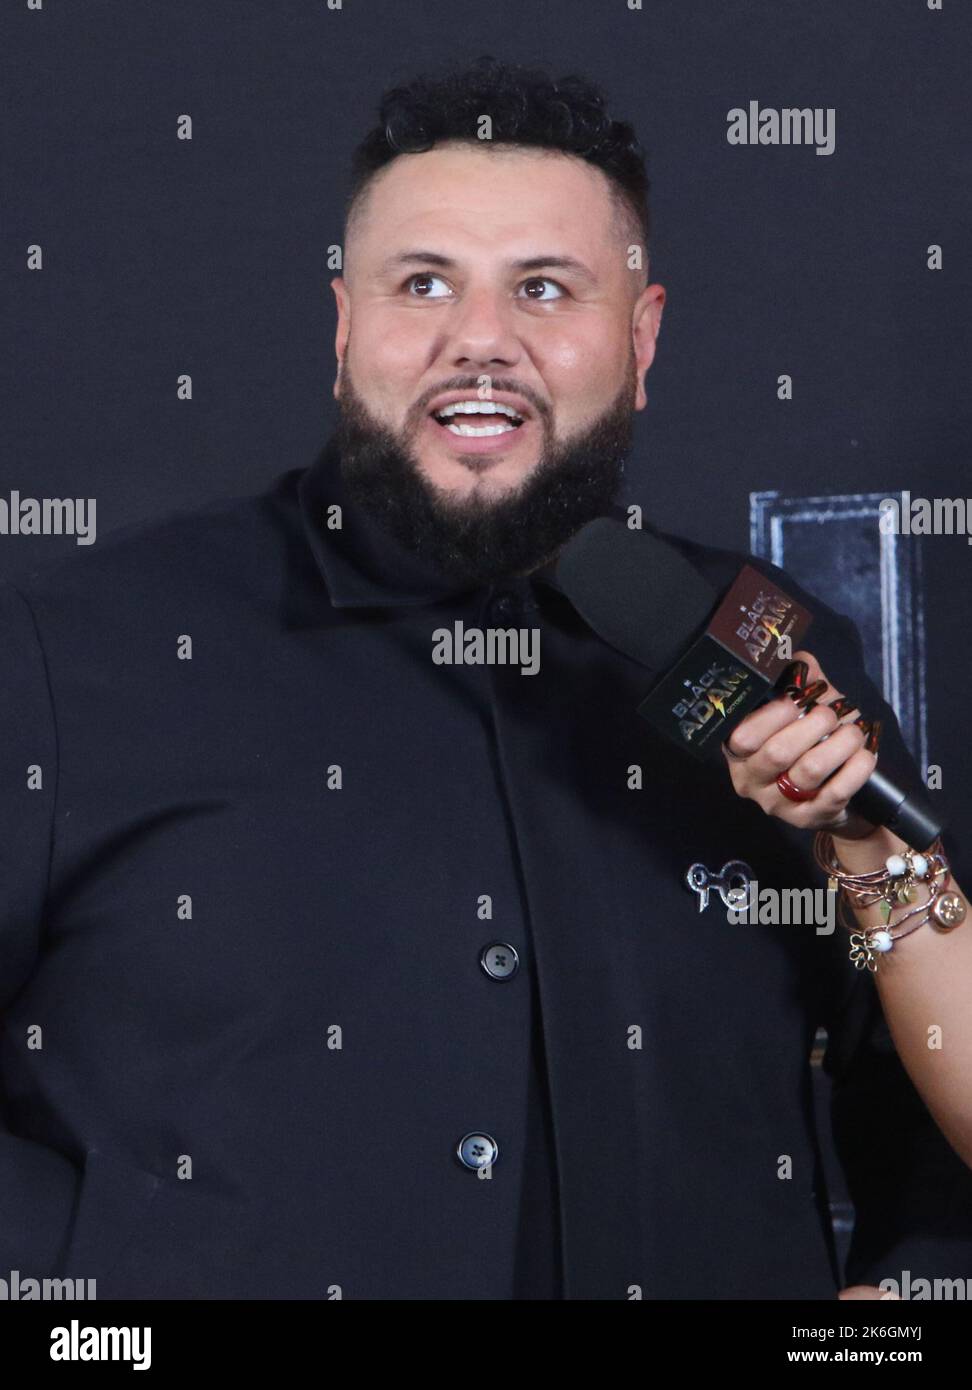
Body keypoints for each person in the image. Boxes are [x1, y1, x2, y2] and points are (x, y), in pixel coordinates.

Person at [2, 57, 971, 1301]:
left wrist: (906, 1302)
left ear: (643, 336)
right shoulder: (81, 649)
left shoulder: (773, 660)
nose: (480, 342)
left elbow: (936, 1153)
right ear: (346, 328)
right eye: (424, 285)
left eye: (545, 288)